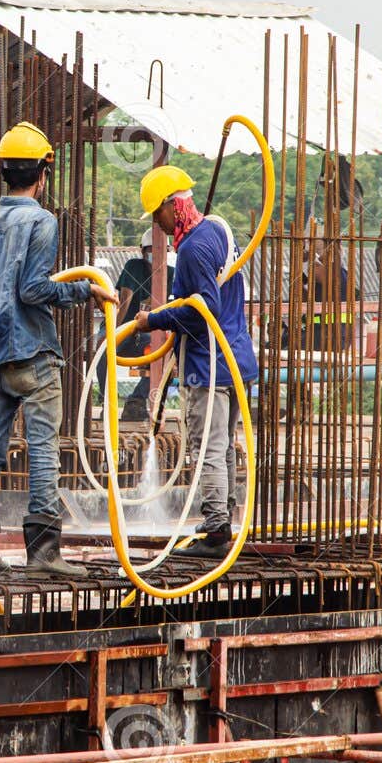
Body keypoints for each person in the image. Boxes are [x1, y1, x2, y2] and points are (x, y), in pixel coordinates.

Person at [0, 121, 115, 577]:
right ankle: (43, 550)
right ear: (43, 174)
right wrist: (84, 290)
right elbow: (32, 290)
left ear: (4, 171)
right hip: (33, 356)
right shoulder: (43, 221)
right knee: (43, 448)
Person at [132, 165, 260, 559]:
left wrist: (153, 319)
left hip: (209, 365)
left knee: (207, 448)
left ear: (173, 205)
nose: (157, 223)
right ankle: (222, 520)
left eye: (158, 212)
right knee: (222, 448)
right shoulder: (218, 230)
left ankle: (217, 530)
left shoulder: (191, 250)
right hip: (237, 359)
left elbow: (201, 309)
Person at [116, 229, 175, 421]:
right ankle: (109, 402)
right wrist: (113, 333)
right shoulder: (134, 267)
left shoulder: (172, 273)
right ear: (143, 252)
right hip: (127, 330)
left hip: (150, 334)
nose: (157, 254)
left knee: (166, 358)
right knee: (103, 356)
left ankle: (137, 401)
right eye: (152, 250)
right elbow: (125, 299)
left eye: (162, 250)